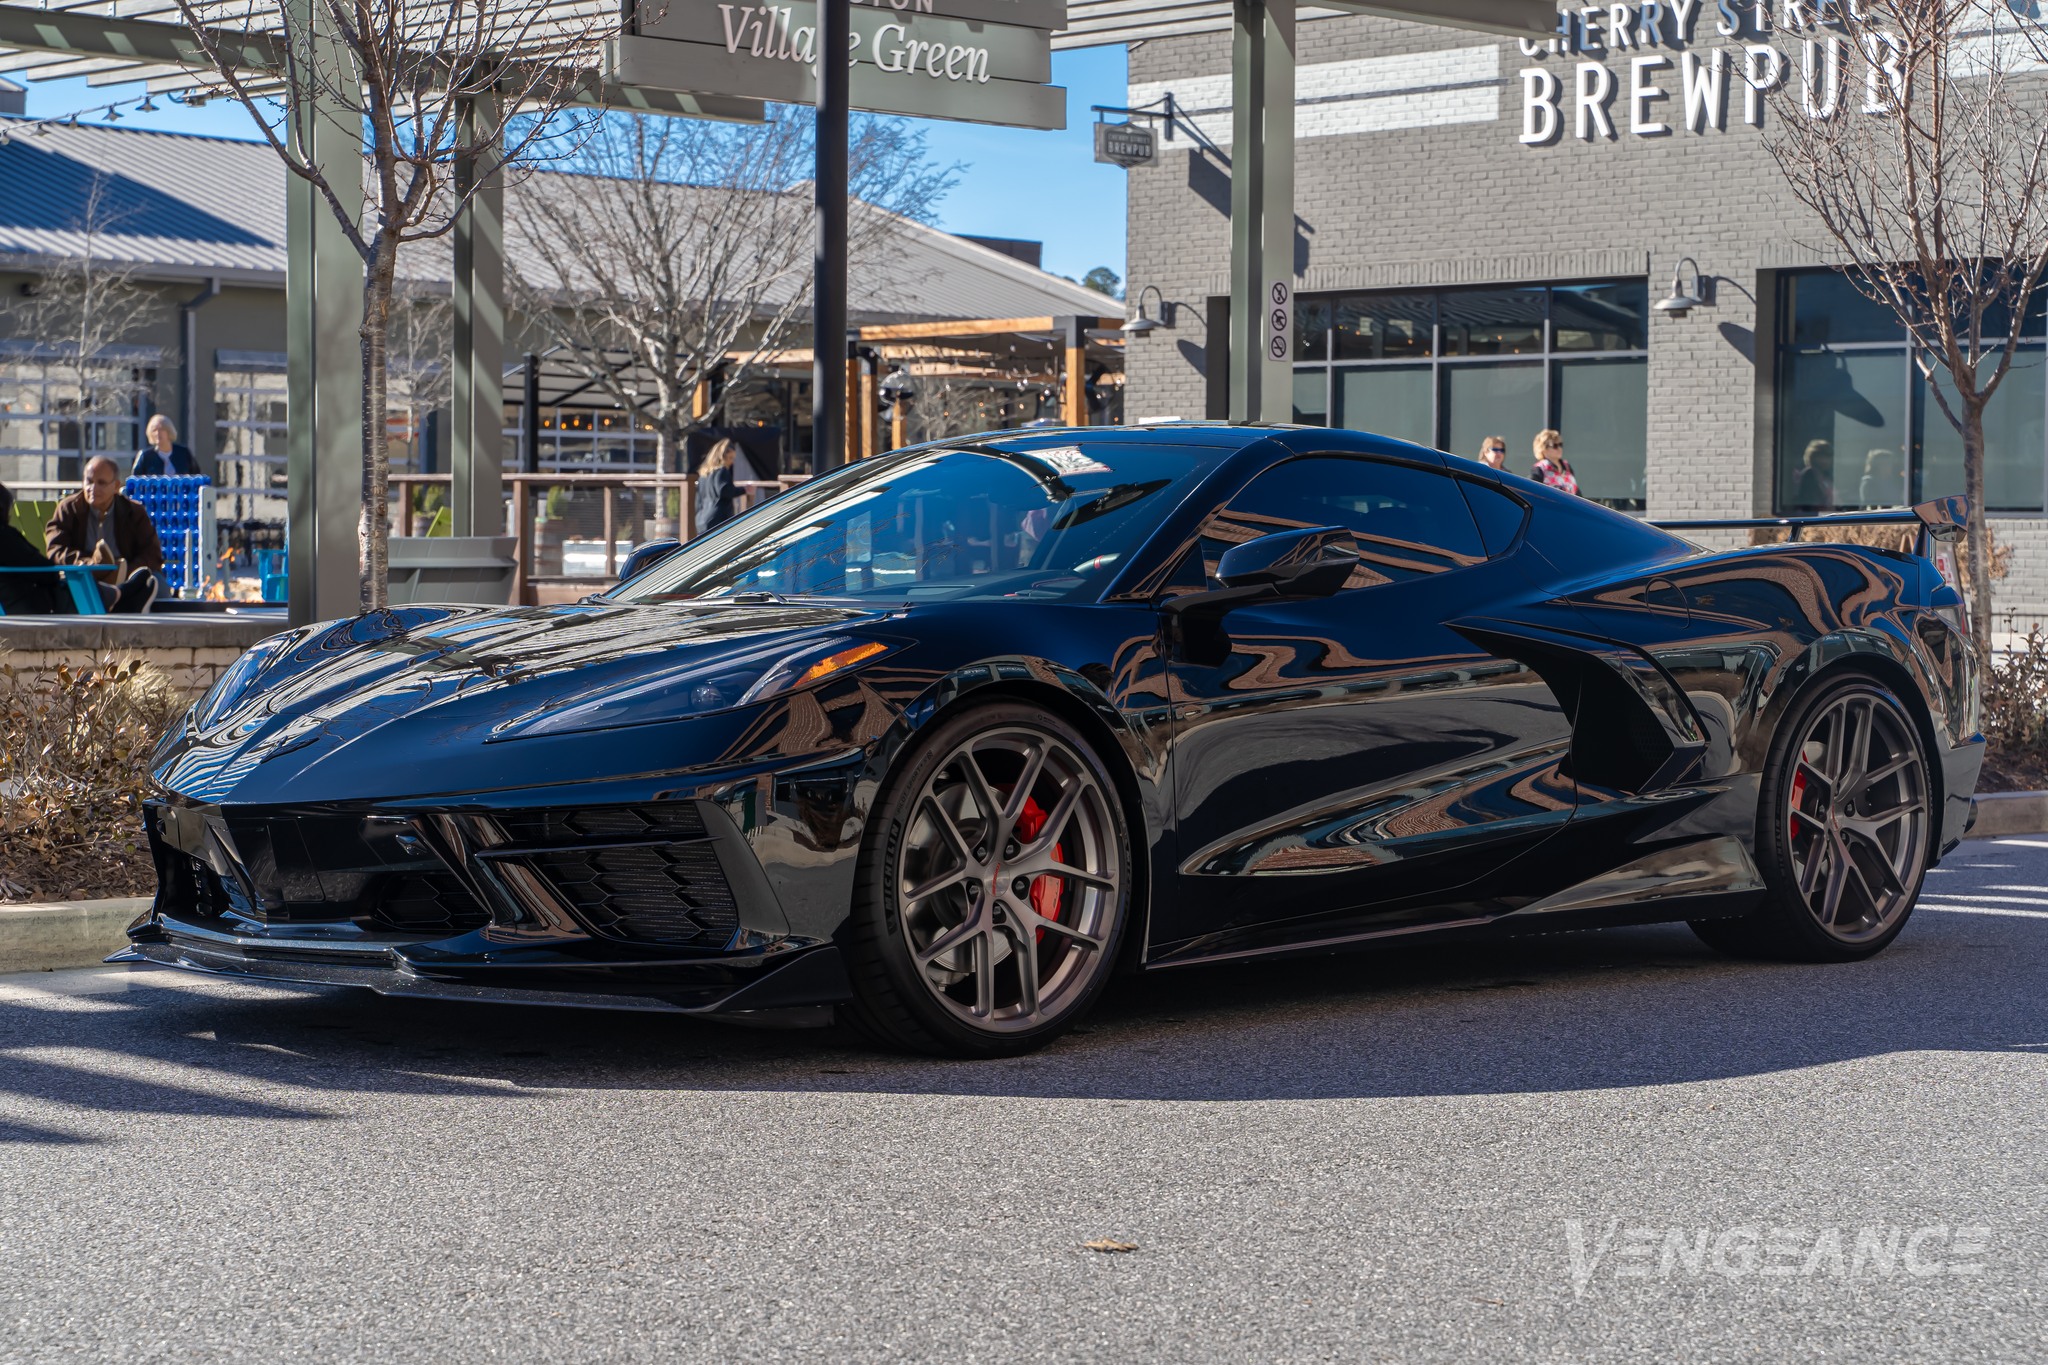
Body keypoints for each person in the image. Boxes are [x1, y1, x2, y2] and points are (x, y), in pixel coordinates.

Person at [2, 480, 156, 614]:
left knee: (71, 579)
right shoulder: (5, 538)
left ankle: (117, 594)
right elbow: (44, 569)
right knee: (72, 583)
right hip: (31, 606)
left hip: (12, 603)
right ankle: (121, 596)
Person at [46, 456, 164, 612]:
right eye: (89, 481)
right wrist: (89, 565)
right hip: (84, 576)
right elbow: (55, 549)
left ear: (116, 486)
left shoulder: (134, 512)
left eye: (101, 483)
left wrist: (125, 572)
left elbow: (152, 553)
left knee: (159, 585)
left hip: (127, 577)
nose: (92, 488)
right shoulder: (68, 509)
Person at [693, 438, 743, 536]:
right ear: (723, 457)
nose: (732, 462)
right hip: (718, 520)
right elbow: (724, 490)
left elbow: (698, 502)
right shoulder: (722, 471)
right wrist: (744, 490)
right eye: (730, 458)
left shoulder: (703, 475)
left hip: (701, 520)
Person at [133, 414, 200, 477]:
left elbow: (196, 476)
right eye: (154, 430)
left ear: (169, 431)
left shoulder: (184, 453)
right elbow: (136, 481)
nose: (157, 433)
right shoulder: (145, 456)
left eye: (161, 429)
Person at [1790, 438, 1835, 511]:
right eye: (1821, 456)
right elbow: (1810, 501)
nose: (1825, 460)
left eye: (1828, 456)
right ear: (1812, 457)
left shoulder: (1826, 476)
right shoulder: (1809, 474)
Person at [1531, 429, 1580, 496]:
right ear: (1543, 449)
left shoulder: (1567, 466)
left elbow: (1577, 492)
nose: (1559, 448)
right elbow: (1533, 491)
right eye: (1555, 446)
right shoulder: (1540, 468)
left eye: (1560, 445)